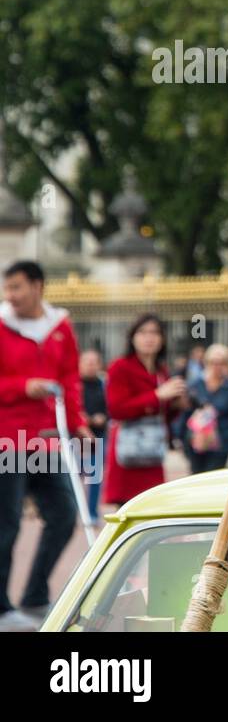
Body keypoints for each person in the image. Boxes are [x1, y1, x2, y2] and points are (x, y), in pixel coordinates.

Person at [0, 260, 90, 632]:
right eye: (8, 289)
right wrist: (25, 387)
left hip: (49, 441)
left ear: (37, 286)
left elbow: (69, 378)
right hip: (8, 439)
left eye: (17, 287)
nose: (11, 296)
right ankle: (2, 607)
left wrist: (78, 420)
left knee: (65, 515)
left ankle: (36, 594)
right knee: (6, 525)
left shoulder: (60, 327)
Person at [102, 315, 187, 509]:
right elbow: (117, 409)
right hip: (129, 450)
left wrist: (176, 405)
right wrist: (157, 395)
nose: (149, 338)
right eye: (143, 332)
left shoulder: (161, 370)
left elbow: (162, 416)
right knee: (127, 511)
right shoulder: (120, 367)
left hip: (152, 451)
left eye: (155, 332)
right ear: (132, 337)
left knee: (153, 507)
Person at [180, 344, 228, 474]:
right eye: (213, 362)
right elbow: (185, 414)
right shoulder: (195, 386)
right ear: (206, 363)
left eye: (222, 363)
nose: (217, 367)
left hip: (220, 445)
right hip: (196, 443)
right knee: (195, 479)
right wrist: (182, 439)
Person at [79, 350, 108, 524]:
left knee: (95, 477)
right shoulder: (74, 385)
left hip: (98, 437)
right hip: (76, 438)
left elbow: (111, 408)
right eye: (86, 361)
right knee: (74, 476)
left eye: (94, 362)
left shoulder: (105, 385)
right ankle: (77, 511)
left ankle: (91, 512)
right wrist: (87, 419)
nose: (90, 365)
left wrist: (103, 418)